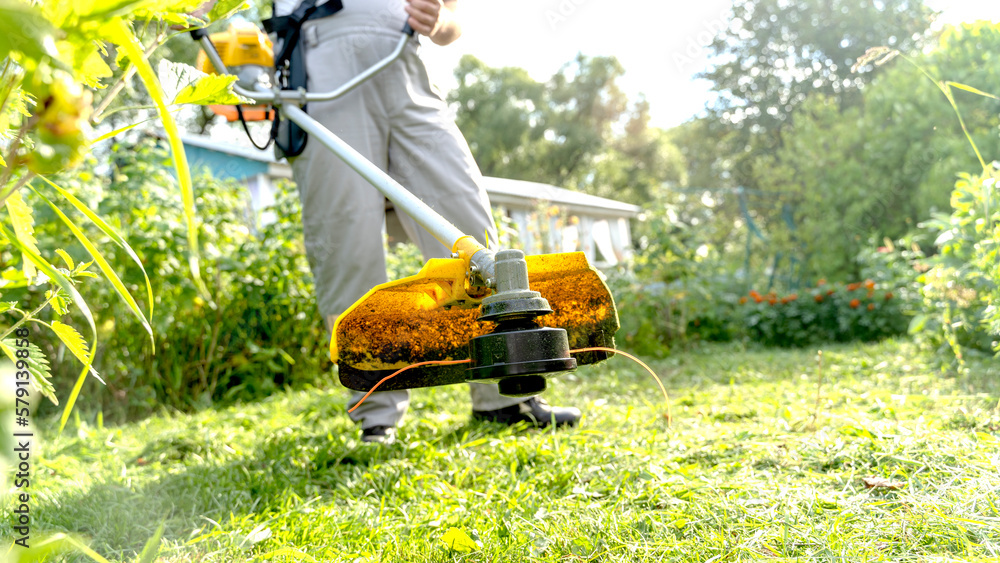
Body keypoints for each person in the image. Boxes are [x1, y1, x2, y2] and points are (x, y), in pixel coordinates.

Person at [207, 0, 583, 444]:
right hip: (322, 71)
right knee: (347, 246)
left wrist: (441, 22)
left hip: (406, 64)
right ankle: (376, 413)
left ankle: (504, 395)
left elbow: (452, 22)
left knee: (469, 226)